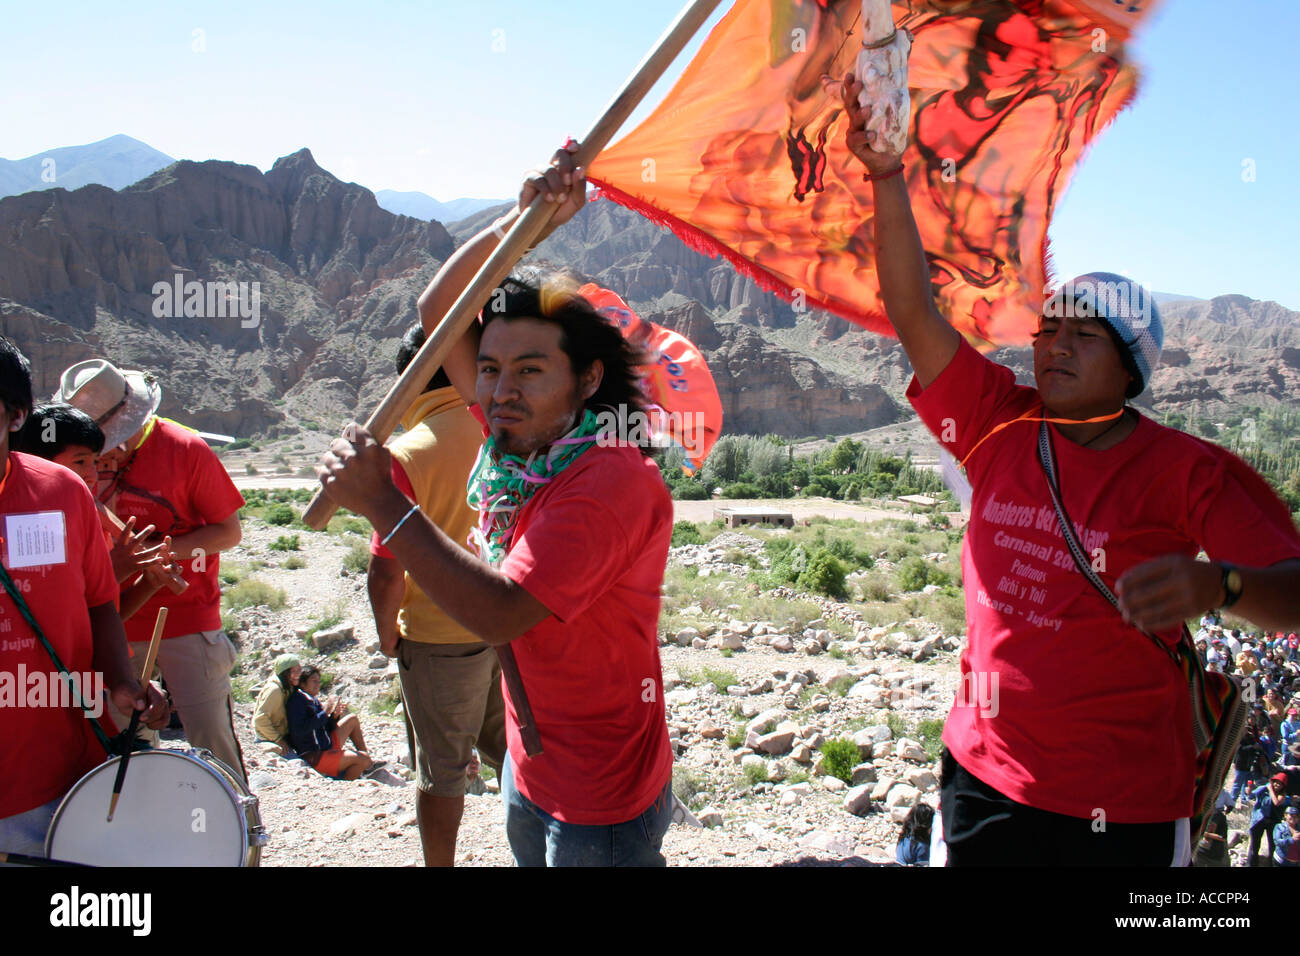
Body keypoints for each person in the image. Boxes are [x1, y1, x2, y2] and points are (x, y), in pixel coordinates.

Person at [838, 71, 1300, 867]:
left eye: (1081, 337)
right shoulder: (998, 420)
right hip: (984, 780)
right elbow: (913, 312)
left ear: (1130, 375)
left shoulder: (1190, 472)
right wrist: (885, 172)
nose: (1052, 345)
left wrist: (1217, 586)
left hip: (1122, 805)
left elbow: (1293, 596)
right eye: (1048, 329)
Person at [316, 141, 675, 867]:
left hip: (599, 799)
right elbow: (440, 307)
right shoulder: (521, 448)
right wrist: (524, 220)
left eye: (531, 369)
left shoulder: (608, 480)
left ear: (586, 380)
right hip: (531, 765)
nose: (501, 388)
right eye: (489, 368)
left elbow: (502, 610)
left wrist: (383, 503)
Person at [0, 338, 168, 859]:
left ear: (15, 415)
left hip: (53, 774)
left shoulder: (62, 494)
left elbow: (98, 601)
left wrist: (121, 680)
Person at [57, 359, 247, 781]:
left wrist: (164, 552)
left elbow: (228, 532)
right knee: (124, 741)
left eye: (113, 440)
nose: (107, 453)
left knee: (210, 738)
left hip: (188, 613)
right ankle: (142, 834)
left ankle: (239, 835)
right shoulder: (74, 464)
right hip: (114, 618)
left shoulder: (186, 449)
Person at [366, 322, 505, 867]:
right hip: (507, 622)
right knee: (514, 752)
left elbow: (386, 570)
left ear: (411, 383)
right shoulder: (502, 431)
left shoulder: (408, 454)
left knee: (441, 769)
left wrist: (386, 636)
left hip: (436, 636)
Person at [14, 402, 182, 621]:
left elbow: (105, 620)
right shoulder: (29, 529)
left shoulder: (89, 522)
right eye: (80, 461)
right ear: (39, 463)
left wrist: (149, 583)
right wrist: (115, 572)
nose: (91, 475)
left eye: (95, 462)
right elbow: (55, 618)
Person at [286, 666, 377, 780]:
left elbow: (324, 726)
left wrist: (334, 716)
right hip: (315, 754)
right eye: (314, 681)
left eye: (319, 681)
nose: (317, 685)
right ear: (302, 684)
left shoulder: (313, 700)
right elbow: (300, 730)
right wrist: (325, 712)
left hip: (325, 744)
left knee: (352, 719)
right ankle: (347, 783)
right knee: (362, 759)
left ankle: (367, 766)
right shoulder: (297, 702)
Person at [252, 654, 301, 756]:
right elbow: (260, 720)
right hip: (269, 739)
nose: (298, 674)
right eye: (294, 671)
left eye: (299, 670)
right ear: (285, 673)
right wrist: (278, 739)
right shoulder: (274, 690)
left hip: (281, 736)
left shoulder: (287, 686)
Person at [1247, 773, 1290, 866]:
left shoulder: (1282, 795)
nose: (1277, 785)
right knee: (1254, 846)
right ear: (1272, 781)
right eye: (1276, 783)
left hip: (1273, 822)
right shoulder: (1263, 789)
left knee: (1273, 846)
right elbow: (1251, 796)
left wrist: (1270, 790)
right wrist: (1249, 790)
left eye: (1280, 784)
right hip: (1259, 820)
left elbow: (1276, 802)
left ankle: (1272, 864)